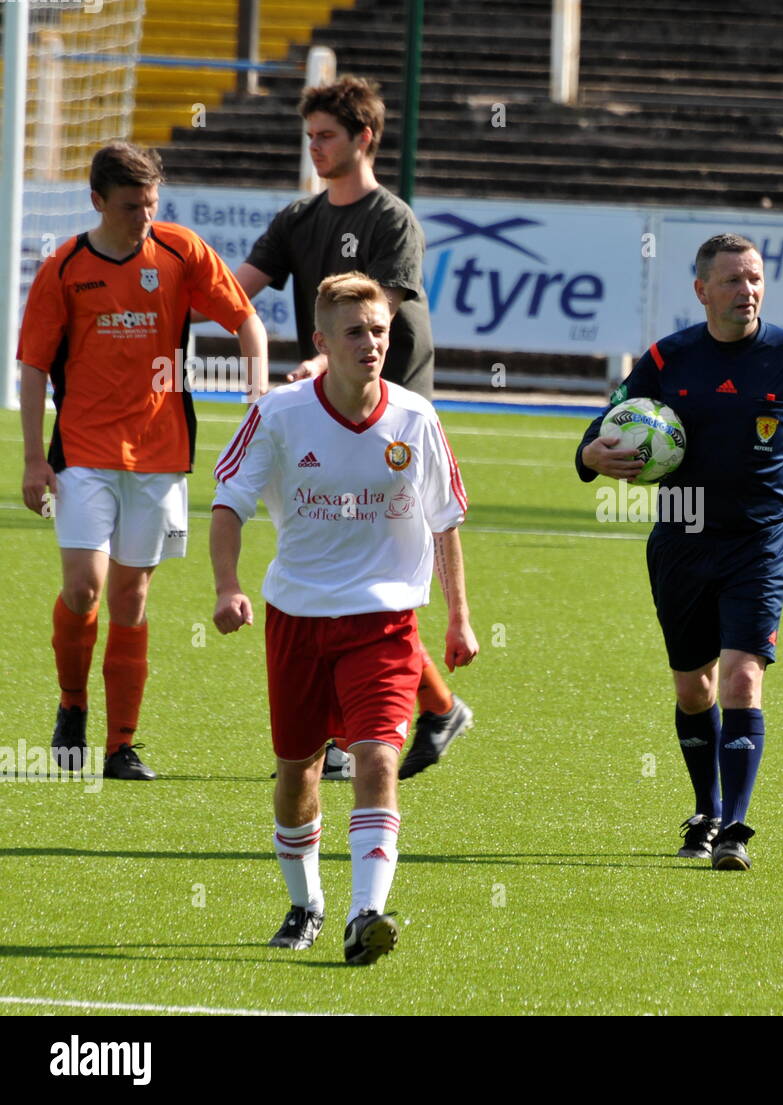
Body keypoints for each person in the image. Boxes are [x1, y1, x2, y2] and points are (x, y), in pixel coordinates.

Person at [209, 272, 477, 964]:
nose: (372, 343)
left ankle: (367, 913)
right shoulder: (278, 414)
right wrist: (226, 585)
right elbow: (228, 503)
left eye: (381, 330)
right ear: (321, 340)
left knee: (377, 760)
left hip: (385, 624)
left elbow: (446, 521)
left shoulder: (416, 418)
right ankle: (306, 902)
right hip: (296, 618)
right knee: (296, 773)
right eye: (355, 331)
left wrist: (459, 620)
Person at [576, 233, 783, 871]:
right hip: (679, 535)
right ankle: (706, 807)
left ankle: (734, 828)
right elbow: (606, 423)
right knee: (693, 689)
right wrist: (589, 456)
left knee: (741, 678)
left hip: (759, 543)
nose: (746, 291)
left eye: (753, 279)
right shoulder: (667, 361)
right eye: (731, 281)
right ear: (702, 291)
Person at [232, 74, 469, 780]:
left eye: (327, 135)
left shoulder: (391, 219)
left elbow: (381, 309)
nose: (315, 148)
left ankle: (358, 724)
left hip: (386, 406)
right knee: (343, 563)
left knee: (374, 568)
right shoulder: (300, 217)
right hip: (323, 397)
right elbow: (233, 287)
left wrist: (315, 364)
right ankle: (433, 708)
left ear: (363, 138)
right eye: (309, 136)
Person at [18, 141, 267, 781]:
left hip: (160, 455)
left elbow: (245, 319)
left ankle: (119, 746)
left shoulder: (180, 250)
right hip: (83, 451)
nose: (144, 217)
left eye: (152, 204)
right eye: (131, 206)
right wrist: (31, 461)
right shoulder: (66, 266)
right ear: (98, 202)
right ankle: (72, 706)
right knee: (84, 587)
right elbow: (34, 366)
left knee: (131, 598)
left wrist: (258, 389)